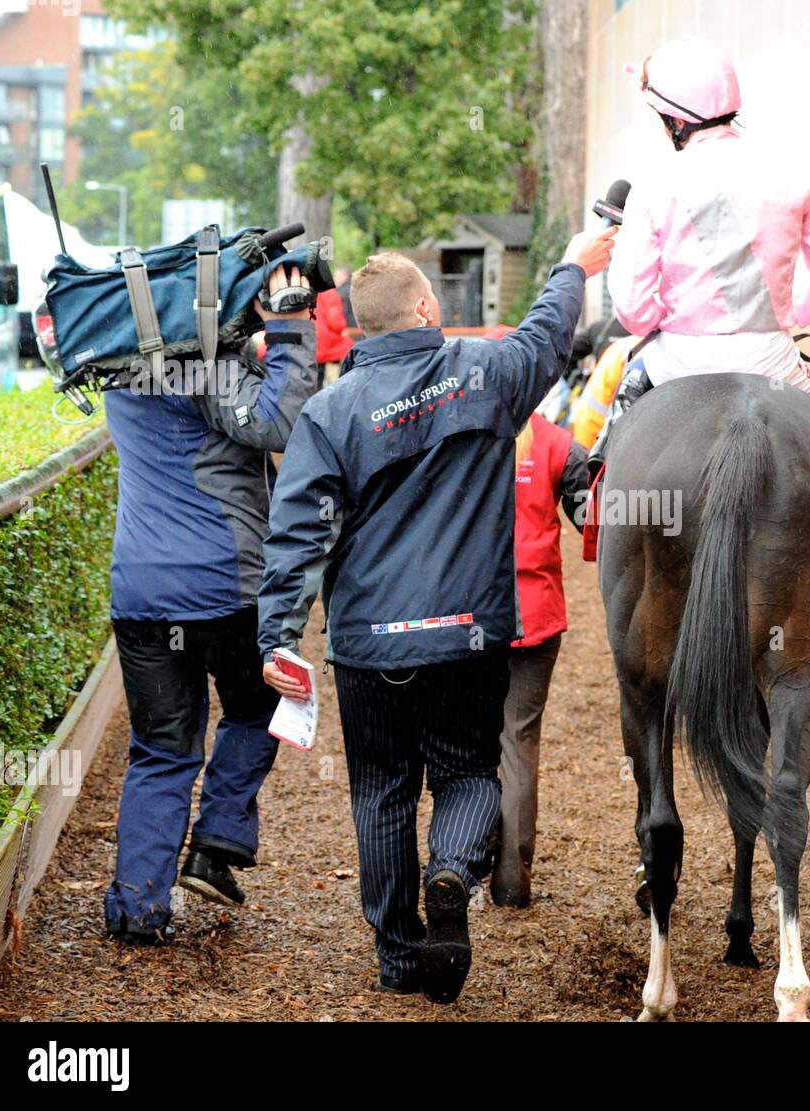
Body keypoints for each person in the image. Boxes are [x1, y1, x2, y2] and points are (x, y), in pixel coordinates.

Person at [258, 226, 616, 1004]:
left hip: (368, 643)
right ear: (427, 306)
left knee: (381, 789)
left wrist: (277, 635)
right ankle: (453, 866)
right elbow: (548, 335)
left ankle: (399, 957)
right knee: (466, 772)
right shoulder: (483, 373)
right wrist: (571, 266)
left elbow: (297, 533)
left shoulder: (330, 413)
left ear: (359, 327)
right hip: (466, 631)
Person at [103, 265, 319, 944]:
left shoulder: (115, 367)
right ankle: (218, 842)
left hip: (140, 594)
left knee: (161, 750)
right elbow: (276, 419)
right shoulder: (205, 369)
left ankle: (138, 907)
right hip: (223, 589)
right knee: (259, 706)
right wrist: (286, 325)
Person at [590, 35, 810, 473]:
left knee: (607, 453)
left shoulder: (654, 183)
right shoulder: (795, 176)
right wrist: (782, 315)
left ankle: (594, 505)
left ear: (675, 120)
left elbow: (633, 310)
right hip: (773, 359)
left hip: (677, 362)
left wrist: (669, 321)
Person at [481, 325, 590, 908]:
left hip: (466, 614)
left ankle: (459, 859)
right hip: (535, 614)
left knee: (467, 742)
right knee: (517, 741)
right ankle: (512, 880)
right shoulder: (557, 444)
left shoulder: (457, 437)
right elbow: (594, 524)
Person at [313, 269, 354, 388]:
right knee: (332, 379)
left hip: (310, 341)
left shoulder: (306, 289)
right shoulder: (329, 292)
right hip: (327, 343)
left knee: (316, 379)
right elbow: (336, 322)